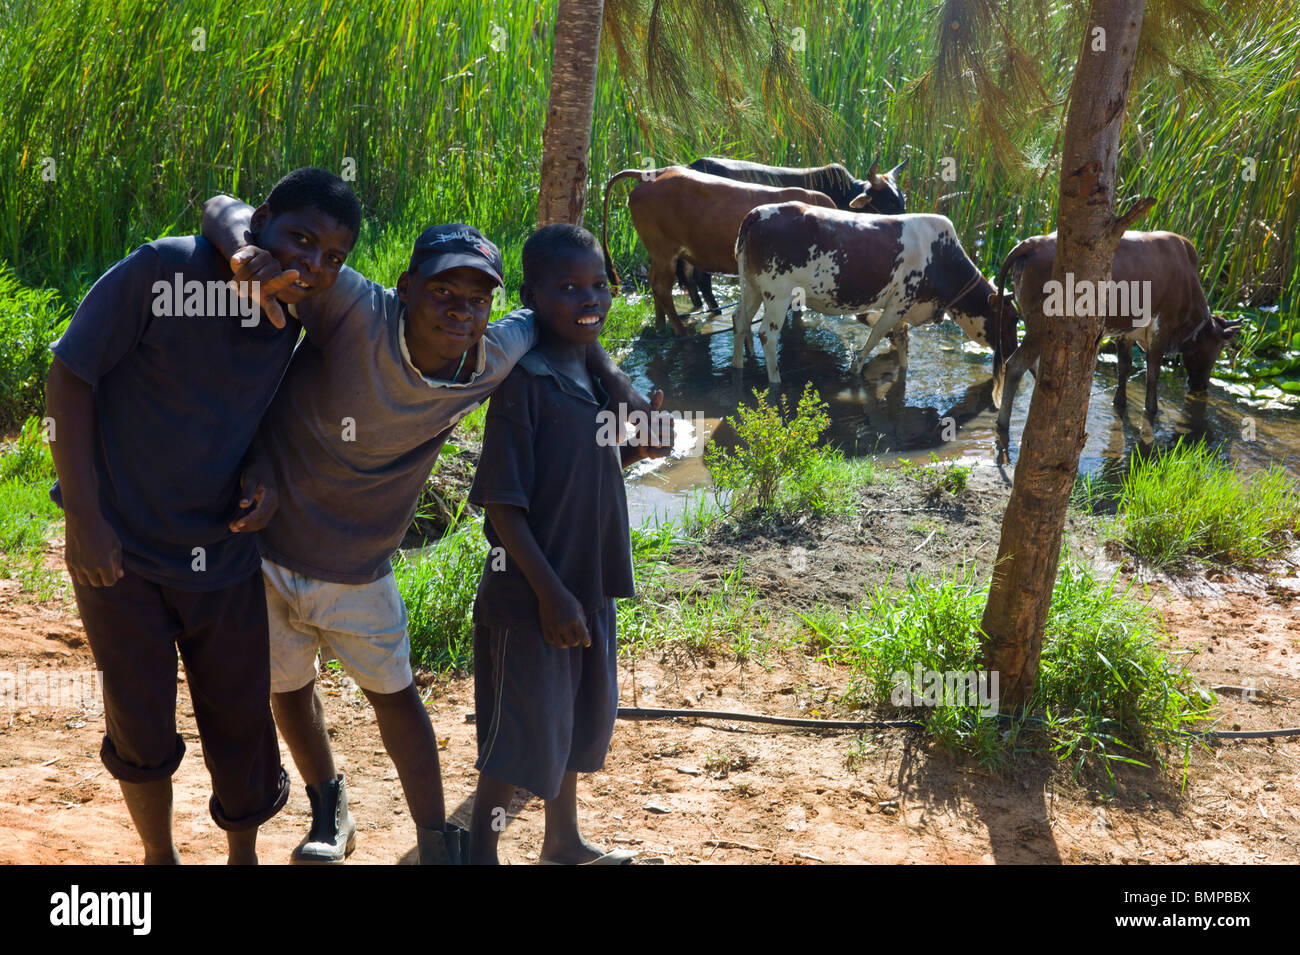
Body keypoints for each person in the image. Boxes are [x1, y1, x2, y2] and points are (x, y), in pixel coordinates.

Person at [200, 200, 668, 864]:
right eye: (443, 290)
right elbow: (223, 208)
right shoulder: (358, 309)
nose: (459, 309)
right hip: (268, 546)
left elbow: (575, 333)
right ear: (406, 287)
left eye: (477, 298)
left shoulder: (498, 353)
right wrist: (248, 252)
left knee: (405, 699)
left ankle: (442, 842)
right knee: (288, 687)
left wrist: (617, 382)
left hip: (360, 562)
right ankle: (342, 811)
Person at [44, 168, 361, 864]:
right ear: (265, 220)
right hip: (120, 550)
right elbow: (71, 375)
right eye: (300, 239)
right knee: (140, 721)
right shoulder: (165, 269)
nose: (312, 264)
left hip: (220, 552)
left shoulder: (294, 318)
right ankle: (160, 857)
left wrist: (263, 474)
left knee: (240, 718)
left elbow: (258, 419)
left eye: (331, 257)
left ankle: (241, 853)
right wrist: (85, 519)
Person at [467, 223, 665, 865]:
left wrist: (642, 440)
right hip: (530, 597)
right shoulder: (524, 383)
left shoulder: (592, 370)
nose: (591, 299)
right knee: (517, 737)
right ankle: (480, 850)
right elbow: (502, 504)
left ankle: (562, 841)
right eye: (569, 287)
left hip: (589, 582)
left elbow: (606, 458)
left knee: (572, 723)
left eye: (600, 284)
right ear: (531, 296)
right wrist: (550, 595)